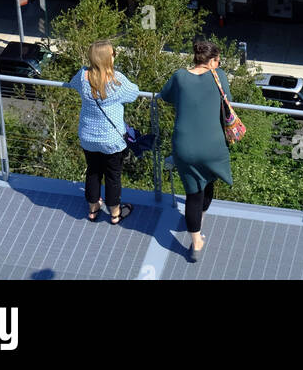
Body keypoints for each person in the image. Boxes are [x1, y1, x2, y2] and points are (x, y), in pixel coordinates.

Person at [158, 38, 234, 259]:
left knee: (193, 193)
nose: (219, 65)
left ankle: (196, 242)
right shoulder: (218, 76)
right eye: (218, 61)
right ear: (212, 61)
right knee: (208, 179)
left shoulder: (180, 76)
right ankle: (200, 217)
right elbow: (227, 100)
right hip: (213, 145)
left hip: (184, 146)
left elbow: (165, 96)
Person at [65, 39, 140, 224]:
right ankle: (115, 214)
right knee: (113, 176)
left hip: (88, 136)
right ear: (109, 58)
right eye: (113, 54)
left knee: (93, 172)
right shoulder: (117, 80)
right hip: (112, 139)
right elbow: (134, 93)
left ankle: (93, 209)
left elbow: (72, 85)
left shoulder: (83, 77)